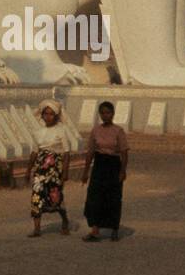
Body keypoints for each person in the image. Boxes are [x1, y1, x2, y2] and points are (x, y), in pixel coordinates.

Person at [81, 100, 128, 242]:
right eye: (102, 113)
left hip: (113, 165)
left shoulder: (118, 131)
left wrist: (122, 171)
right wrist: (85, 171)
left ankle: (114, 228)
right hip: (99, 165)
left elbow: (124, 153)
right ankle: (95, 230)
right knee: (94, 197)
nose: (105, 115)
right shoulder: (96, 130)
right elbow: (90, 152)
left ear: (113, 114)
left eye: (108, 112)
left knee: (113, 197)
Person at [25, 100, 71, 237]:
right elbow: (34, 152)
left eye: (51, 114)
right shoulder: (38, 132)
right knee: (36, 196)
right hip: (40, 170)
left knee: (56, 197)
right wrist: (28, 170)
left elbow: (66, 153)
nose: (48, 117)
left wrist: (65, 172)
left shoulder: (61, 131)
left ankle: (64, 221)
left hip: (55, 170)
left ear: (56, 116)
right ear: (42, 115)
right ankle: (37, 228)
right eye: (46, 114)